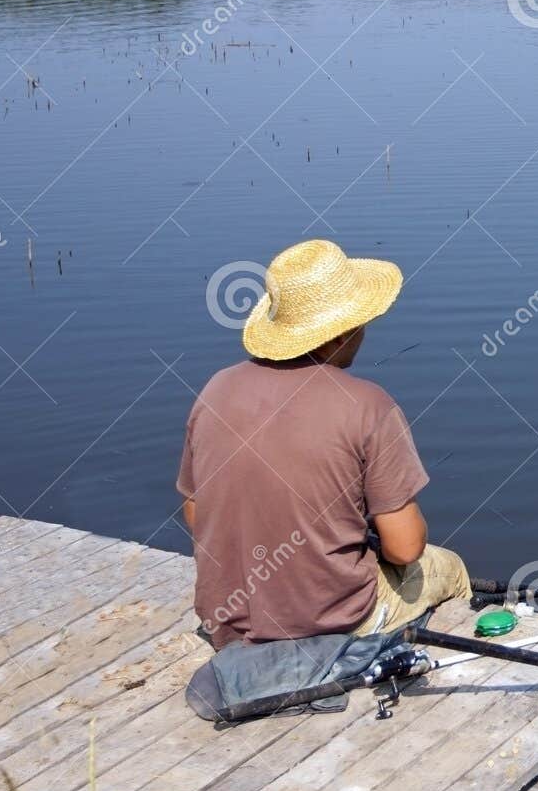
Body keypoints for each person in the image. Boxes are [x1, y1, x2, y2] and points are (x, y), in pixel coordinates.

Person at [177, 238, 470, 650]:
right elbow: (405, 548)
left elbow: (196, 512)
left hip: (225, 619)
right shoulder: (368, 405)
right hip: (329, 624)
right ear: (339, 334)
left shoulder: (216, 389)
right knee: (449, 569)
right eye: (361, 321)